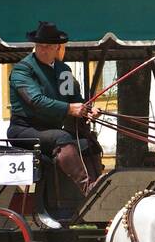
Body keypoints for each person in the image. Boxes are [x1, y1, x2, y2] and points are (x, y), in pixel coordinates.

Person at [7, 20, 104, 194]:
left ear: (57, 47)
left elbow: (73, 98)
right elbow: (35, 101)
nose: (42, 49)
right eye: (39, 46)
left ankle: (101, 186)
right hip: (24, 130)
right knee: (62, 137)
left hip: (51, 130)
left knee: (89, 142)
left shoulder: (63, 70)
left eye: (47, 46)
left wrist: (87, 110)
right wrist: (69, 109)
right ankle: (88, 189)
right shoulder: (22, 70)